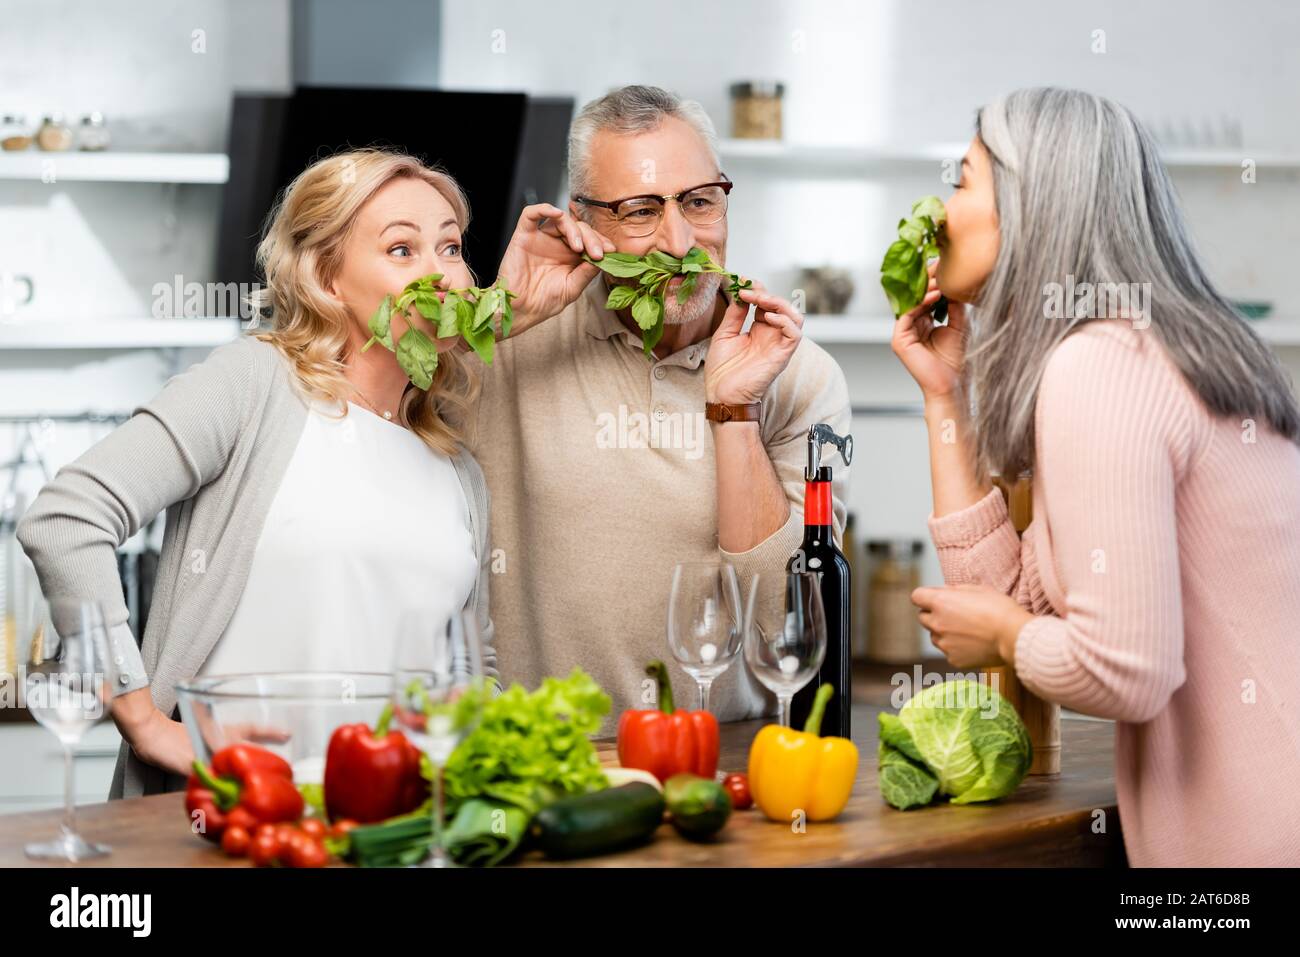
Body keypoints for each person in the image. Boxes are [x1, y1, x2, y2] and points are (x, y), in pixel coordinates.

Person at [17, 147, 609, 798]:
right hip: (234, 817)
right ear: (329, 280)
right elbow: (66, 517)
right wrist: (145, 720)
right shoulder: (255, 385)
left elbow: (473, 665)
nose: (442, 274)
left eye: (451, 248)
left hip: (393, 824)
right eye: (402, 250)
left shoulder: (455, 466)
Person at [894, 87, 1300, 866]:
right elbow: (1013, 597)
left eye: (964, 179)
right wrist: (946, 396)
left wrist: (1009, 639)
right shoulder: (1140, 350)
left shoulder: (1102, 367)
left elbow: (1127, 672)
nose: (941, 209)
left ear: (1033, 206)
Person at [458, 85, 852, 726]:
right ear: (582, 223)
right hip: (545, 763)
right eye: (641, 211)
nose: (680, 241)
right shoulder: (506, 348)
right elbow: (358, 424)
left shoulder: (801, 377)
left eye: (699, 202)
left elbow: (790, 621)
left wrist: (732, 409)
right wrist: (497, 320)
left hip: (723, 763)